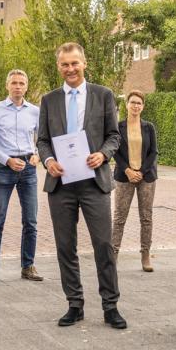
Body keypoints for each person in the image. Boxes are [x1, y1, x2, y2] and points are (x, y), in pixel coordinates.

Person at [37, 42, 127, 329]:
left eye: (75, 63)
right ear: (58, 67)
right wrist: (48, 159)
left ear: (84, 63)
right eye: (65, 64)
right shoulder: (49, 100)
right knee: (66, 247)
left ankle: (110, 305)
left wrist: (103, 154)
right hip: (60, 184)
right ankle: (74, 304)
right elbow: (42, 140)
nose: (70, 69)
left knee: (103, 245)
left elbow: (114, 135)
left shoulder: (103, 95)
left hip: (95, 182)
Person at [0, 69, 44, 283]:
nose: (17, 86)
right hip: (4, 168)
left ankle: (28, 265)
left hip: (28, 169)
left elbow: (44, 140)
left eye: (21, 83)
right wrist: (7, 159)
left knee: (31, 220)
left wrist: (38, 155)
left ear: (26, 86)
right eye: (14, 83)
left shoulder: (35, 111)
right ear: (8, 85)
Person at [111, 90, 159, 272]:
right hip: (124, 176)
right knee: (119, 217)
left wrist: (141, 171)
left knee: (146, 218)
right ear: (127, 104)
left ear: (143, 106)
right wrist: (128, 170)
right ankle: (113, 255)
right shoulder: (118, 126)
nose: (136, 106)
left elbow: (153, 152)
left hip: (146, 177)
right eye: (133, 102)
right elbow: (114, 150)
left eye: (139, 103)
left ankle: (145, 255)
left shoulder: (149, 127)